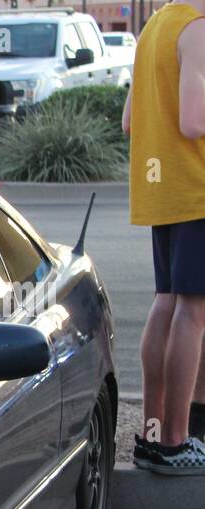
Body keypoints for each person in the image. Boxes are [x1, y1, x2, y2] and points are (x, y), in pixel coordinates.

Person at [124, 0, 205, 473]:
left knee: (167, 303)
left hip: (162, 191)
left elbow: (129, 121)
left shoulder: (155, 27)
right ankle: (176, 442)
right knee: (193, 313)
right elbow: (194, 122)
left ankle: (153, 435)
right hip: (196, 189)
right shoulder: (197, 30)